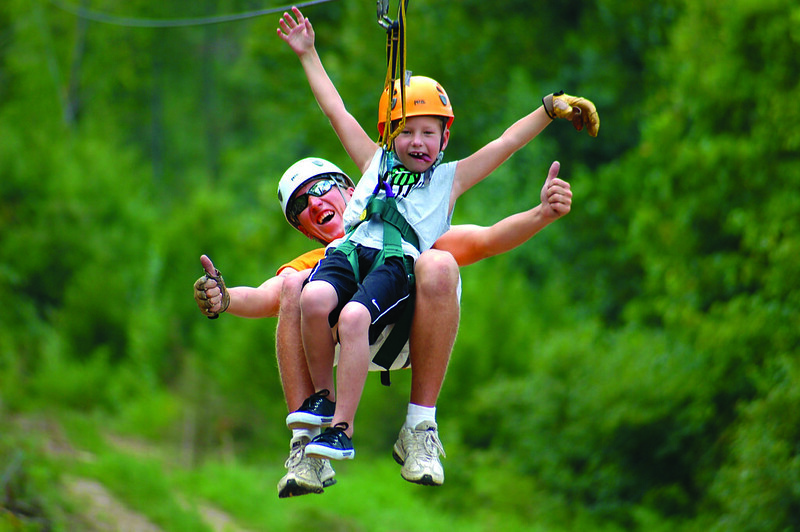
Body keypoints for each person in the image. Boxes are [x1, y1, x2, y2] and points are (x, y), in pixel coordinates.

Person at [276, 6, 597, 466]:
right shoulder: (374, 163)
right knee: (311, 299)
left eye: (429, 132)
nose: (418, 142)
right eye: (406, 132)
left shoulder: (450, 180)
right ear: (390, 137)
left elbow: (504, 143)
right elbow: (336, 110)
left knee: (350, 319)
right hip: (349, 255)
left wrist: (547, 109)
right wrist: (308, 54)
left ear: (444, 139)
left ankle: (344, 429)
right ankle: (322, 404)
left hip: (392, 271)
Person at [194, 156, 573, 495]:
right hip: (347, 339)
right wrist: (223, 298)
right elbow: (265, 296)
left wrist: (542, 214)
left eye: (321, 188)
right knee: (295, 285)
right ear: (305, 228)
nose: (314, 203)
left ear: (351, 189)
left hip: (410, 332)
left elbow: (486, 240)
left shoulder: (406, 230)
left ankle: (421, 428)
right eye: (301, 206)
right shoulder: (319, 261)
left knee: (438, 262)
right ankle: (305, 445)